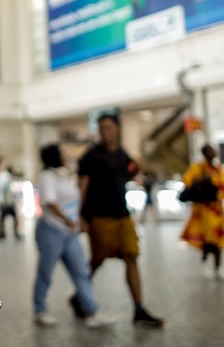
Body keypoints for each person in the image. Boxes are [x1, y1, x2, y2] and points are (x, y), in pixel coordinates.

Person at [77, 113, 164, 328]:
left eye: (109, 127)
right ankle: (79, 295)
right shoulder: (90, 156)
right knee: (97, 261)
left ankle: (138, 308)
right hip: (99, 216)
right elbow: (83, 186)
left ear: (117, 129)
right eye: (102, 128)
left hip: (122, 215)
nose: (105, 132)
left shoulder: (122, 153)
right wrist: (78, 215)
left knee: (131, 256)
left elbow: (130, 172)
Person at [33, 143, 114, 328]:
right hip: (51, 231)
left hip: (70, 232)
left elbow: (74, 200)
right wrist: (66, 219)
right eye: (61, 152)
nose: (64, 154)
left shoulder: (64, 174)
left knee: (81, 272)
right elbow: (50, 202)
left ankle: (91, 310)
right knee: (45, 273)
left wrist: (77, 220)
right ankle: (40, 310)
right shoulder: (46, 176)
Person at [179, 143, 224, 280]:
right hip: (203, 211)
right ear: (204, 153)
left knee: (218, 239)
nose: (212, 153)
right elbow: (188, 183)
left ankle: (215, 267)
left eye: (213, 151)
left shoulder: (218, 169)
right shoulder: (198, 168)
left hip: (218, 211)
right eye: (209, 151)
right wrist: (202, 180)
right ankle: (212, 266)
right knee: (211, 239)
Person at [0, 166, 21, 239]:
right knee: (14, 216)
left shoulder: (1, 176)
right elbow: (5, 188)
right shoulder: (7, 177)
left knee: (2, 218)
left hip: (1, 201)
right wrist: (7, 201)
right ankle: (15, 232)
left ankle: (1, 232)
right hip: (6, 202)